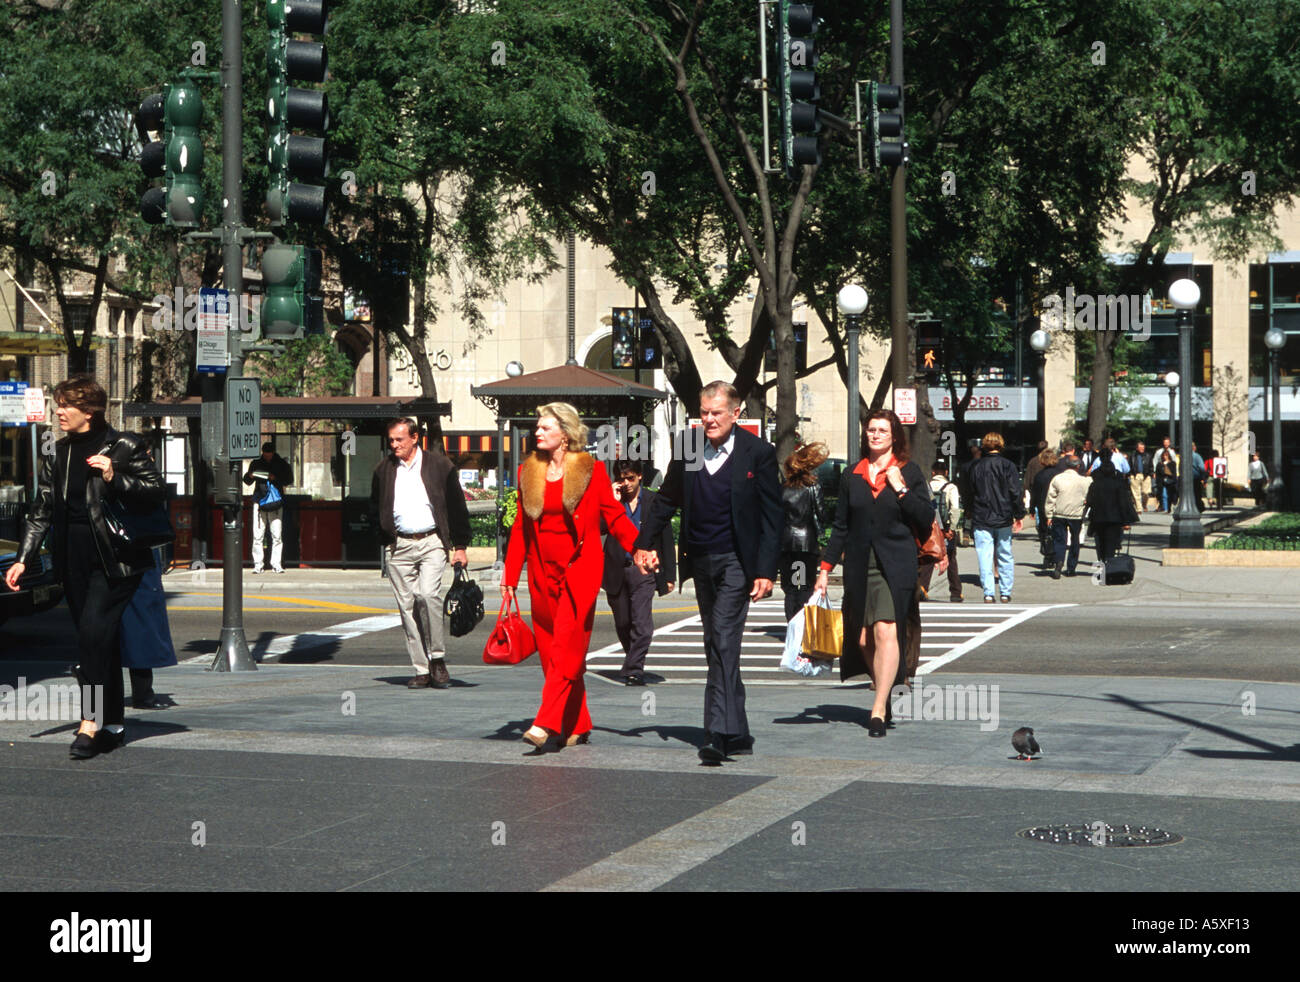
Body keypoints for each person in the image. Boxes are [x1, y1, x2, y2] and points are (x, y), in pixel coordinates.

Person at [4, 375, 165, 759]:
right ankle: (114, 725)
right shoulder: (58, 453)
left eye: (66, 405)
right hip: (72, 559)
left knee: (92, 636)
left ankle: (89, 723)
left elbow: (156, 490)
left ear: (89, 411)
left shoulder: (124, 445)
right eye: (57, 404)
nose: (58, 411)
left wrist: (114, 475)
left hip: (116, 560)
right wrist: (23, 559)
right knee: (100, 642)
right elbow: (41, 511)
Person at [634, 381, 783, 764]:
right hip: (700, 560)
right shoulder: (689, 448)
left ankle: (716, 732)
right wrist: (643, 543)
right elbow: (667, 499)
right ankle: (740, 731)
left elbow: (772, 517)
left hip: (737, 561)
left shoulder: (757, 454)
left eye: (716, 412)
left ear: (736, 414)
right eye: (703, 412)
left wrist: (766, 570)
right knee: (715, 642)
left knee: (722, 636)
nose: (709, 419)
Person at [505, 404, 641, 753]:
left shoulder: (591, 471)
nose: (537, 433)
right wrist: (510, 576)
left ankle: (546, 721)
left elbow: (614, 516)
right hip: (541, 572)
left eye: (545, 428)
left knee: (566, 646)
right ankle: (578, 723)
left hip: (580, 569)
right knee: (553, 653)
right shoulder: (528, 472)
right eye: (537, 428)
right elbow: (520, 528)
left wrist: (639, 548)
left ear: (565, 434)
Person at [814, 410, 934, 737]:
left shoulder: (908, 472)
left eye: (882, 430)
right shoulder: (852, 474)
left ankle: (878, 708)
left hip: (896, 564)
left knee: (886, 631)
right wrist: (824, 569)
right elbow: (839, 527)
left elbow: (925, 517)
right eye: (871, 430)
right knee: (864, 638)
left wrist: (901, 489)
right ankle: (886, 685)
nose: (875, 435)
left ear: (894, 436)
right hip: (858, 564)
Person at [369, 418, 470, 690]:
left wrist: (459, 546)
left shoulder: (440, 466)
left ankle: (437, 657)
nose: (394, 445)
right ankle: (421, 668)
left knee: (427, 595)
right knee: (407, 607)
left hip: (432, 541)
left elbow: (456, 506)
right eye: (391, 440)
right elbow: (374, 506)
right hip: (399, 546)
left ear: (414, 438)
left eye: (399, 439)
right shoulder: (383, 470)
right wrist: (385, 538)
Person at [602, 458, 675, 686]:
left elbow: (666, 538)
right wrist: (611, 501)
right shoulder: (613, 501)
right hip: (616, 569)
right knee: (623, 623)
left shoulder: (653, 502)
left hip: (643, 571)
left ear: (640, 476)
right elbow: (599, 527)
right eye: (621, 479)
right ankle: (632, 659)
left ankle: (634, 668)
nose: (626, 484)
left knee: (642, 625)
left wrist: (670, 576)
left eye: (630, 478)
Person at [966, 431, 1025, 603]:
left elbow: (970, 493)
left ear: (984, 445)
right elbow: (1015, 491)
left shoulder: (975, 467)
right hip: (1003, 515)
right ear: (1001, 445)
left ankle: (988, 592)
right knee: (1005, 553)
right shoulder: (1008, 465)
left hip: (981, 515)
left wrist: (969, 511)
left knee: (984, 555)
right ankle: (1005, 592)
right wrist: (1019, 513)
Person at [779, 441, 828, 620]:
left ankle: (792, 623)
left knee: (791, 588)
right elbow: (821, 514)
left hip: (787, 544)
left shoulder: (783, 489)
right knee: (804, 587)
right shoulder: (813, 487)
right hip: (806, 544)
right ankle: (802, 625)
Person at [243, 442, 293, 574]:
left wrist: (274, 478)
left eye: (269, 455)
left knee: (276, 535)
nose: (267, 457)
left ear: (272, 452)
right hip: (263, 502)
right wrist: (250, 475)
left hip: (269, 502)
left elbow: (289, 479)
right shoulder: (258, 462)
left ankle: (275, 563)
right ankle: (258, 564)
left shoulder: (280, 463)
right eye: (265, 455)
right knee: (258, 535)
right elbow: (247, 480)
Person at [920, 460, 962, 602]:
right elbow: (955, 509)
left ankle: (923, 587)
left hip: (930, 527)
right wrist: (952, 528)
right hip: (947, 527)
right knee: (950, 558)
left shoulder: (927, 486)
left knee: (929, 555)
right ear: (946, 472)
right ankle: (956, 592)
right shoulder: (951, 487)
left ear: (932, 473)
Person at [1044, 455, 1090, 577]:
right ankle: (1071, 567)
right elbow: (1089, 496)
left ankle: (1059, 561)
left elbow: (1051, 498)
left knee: (1060, 539)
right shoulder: (1084, 481)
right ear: (1078, 466)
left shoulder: (1057, 479)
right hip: (1076, 514)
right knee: (1075, 540)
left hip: (1059, 513)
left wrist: (1049, 515)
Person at [1086, 456, 1137, 562]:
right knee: (1111, 544)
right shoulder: (1119, 485)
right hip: (1114, 519)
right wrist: (1126, 521)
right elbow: (1124, 503)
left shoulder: (1095, 485)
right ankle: (1109, 564)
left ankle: (1102, 562)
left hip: (1098, 519)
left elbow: (1089, 501)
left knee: (1100, 543)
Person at [1030, 447, 1067, 569]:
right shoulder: (1060, 474)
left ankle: (1047, 554)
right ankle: (1058, 555)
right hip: (1058, 506)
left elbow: (1034, 493)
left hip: (1042, 506)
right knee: (1059, 532)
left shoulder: (1039, 476)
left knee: (1044, 532)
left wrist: (1031, 507)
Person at [1128, 440, 1152, 514]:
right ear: (1137, 448)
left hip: (1146, 475)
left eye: (1143, 448)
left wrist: (1151, 473)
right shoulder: (1132, 455)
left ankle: (1144, 504)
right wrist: (1130, 474)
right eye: (1140, 448)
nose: (1142, 449)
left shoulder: (1148, 455)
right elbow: (1129, 465)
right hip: (1135, 475)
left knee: (1146, 492)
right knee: (1136, 493)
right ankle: (1139, 508)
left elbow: (1151, 466)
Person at [1154, 443, 1179, 512]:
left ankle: (1169, 507)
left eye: (1166, 455)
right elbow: (1158, 473)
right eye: (1164, 455)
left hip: (1170, 481)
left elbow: (1173, 473)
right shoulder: (1159, 464)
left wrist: (1174, 480)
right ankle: (1165, 508)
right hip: (1162, 482)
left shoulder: (1172, 463)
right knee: (1164, 495)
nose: (1165, 457)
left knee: (1170, 495)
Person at [1190, 442, 1207, 511]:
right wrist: (1204, 478)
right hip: (1196, 478)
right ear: (1194, 448)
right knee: (1197, 494)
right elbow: (1202, 468)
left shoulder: (1183, 456)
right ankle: (1198, 507)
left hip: (1187, 479)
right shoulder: (1197, 456)